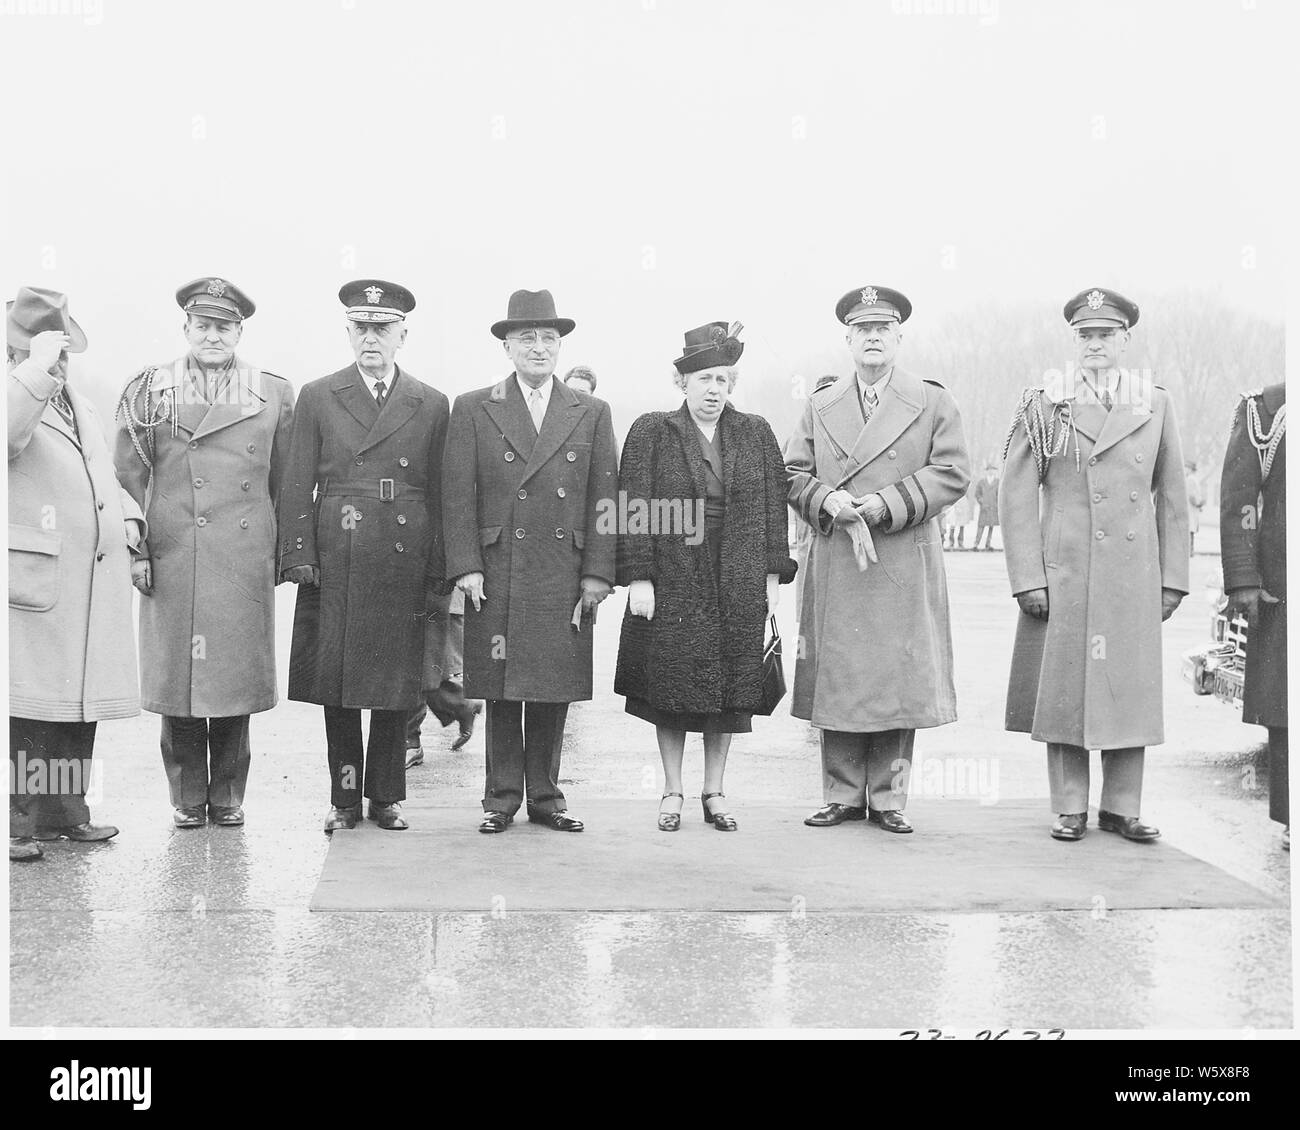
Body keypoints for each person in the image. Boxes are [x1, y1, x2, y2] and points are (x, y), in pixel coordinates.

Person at [1000, 288, 1189, 843]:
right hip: (1067, 571)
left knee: (1127, 689)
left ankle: (1122, 808)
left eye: (1106, 334)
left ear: (1126, 340)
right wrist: (1027, 576)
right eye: (1086, 335)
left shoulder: (1154, 402)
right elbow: (1015, 496)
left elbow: (1173, 496)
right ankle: (1069, 806)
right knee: (1066, 691)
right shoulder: (1045, 403)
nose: (1095, 344)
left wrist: (1174, 578)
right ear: (1074, 342)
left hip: (1133, 573)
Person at [786, 285, 971, 834]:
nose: (872, 338)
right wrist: (832, 501)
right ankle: (841, 794)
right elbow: (793, 473)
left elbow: (953, 472)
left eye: (882, 329)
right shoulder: (820, 403)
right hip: (840, 555)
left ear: (898, 337)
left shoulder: (934, 400)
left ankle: (890, 798)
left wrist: (884, 505)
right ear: (847, 338)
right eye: (862, 329)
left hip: (901, 556)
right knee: (841, 673)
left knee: (896, 677)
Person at [114, 277, 295, 829]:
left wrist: (281, 551)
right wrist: (138, 549)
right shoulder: (150, 389)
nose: (213, 336)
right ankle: (188, 796)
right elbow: (126, 474)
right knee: (180, 683)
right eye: (203, 325)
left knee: (234, 681)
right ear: (186, 328)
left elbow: (285, 481)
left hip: (241, 555)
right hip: (175, 549)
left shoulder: (273, 392)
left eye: (224, 326)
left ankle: (229, 795)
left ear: (240, 331)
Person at [442, 289, 618, 833]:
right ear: (508, 347)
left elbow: (605, 499)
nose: (538, 348)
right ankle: (500, 799)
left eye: (548, 339)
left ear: (560, 346)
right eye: (526, 339)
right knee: (499, 686)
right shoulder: (474, 406)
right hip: (498, 567)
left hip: (562, 568)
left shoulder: (590, 411)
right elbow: (457, 494)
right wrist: (466, 563)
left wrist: (597, 573)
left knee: (552, 683)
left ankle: (546, 796)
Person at [277, 280, 449, 833]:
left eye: (383, 328)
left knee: (396, 685)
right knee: (341, 687)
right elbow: (297, 479)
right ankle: (345, 800)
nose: (371, 338)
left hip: (404, 556)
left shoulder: (430, 402)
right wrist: (299, 552)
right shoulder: (320, 394)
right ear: (348, 333)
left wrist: (440, 563)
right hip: (339, 553)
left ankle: (386, 799)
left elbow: (442, 490)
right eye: (361, 328)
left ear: (404, 334)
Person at [615, 321, 797, 832]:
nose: (714, 391)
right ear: (682, 383)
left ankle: (714, 790)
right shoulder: (652, 431)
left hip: (737, 574)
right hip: (674, 577)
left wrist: (772, 576)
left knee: (730, 693)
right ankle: (672, 790)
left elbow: (772, 509)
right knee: (669, 689)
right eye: (704, 380)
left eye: (723, 380)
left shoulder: (755, 432)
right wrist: (639, 577)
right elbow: (633, 507)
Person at [8, 288, 142, 860]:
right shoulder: (20, 391)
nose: (60, 359)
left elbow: (100, 470)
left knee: (74, 705)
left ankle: (66, 813)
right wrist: (34, 369)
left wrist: (130, 517)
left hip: (84, 581)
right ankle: (18, 824)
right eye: (47, 345)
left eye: (63, 347)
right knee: (29, 706)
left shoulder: (77, 400)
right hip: (34, 576)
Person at [1219, 384, 1287, 849]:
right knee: (1289, 707)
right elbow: (1241, 499)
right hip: (1286, 583)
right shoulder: (1268, 408)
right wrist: (1244, 578)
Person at [405, 587, 482, 768]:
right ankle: (459, 705)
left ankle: (410, 740)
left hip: (438, 591)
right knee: (416, 662)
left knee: (419, 662)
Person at [973, 460, 1000, 549]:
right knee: (981, 526)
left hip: (993, 507)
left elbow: (1000, 494)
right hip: (984, 508)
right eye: (989, 470)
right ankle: (976, 544)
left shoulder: (998, 482)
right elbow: (977, 494)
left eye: (992, 470)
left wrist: (997, 503)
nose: (991, 471)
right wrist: (981, 501)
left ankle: (988, 544)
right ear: (986, 471)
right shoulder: (981, 482)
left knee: (991, 527)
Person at [1185, 460, 1204, 554]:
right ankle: (1191, 550)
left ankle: (1189, 550)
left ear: (1190, 469)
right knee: (1191, 530)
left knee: (1189, 529)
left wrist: (1196, 503)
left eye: (1187, 468)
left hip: (1190, 508)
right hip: (1194, 508)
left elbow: (1191, 495)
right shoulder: (1195, 479)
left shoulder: (1190, 480)